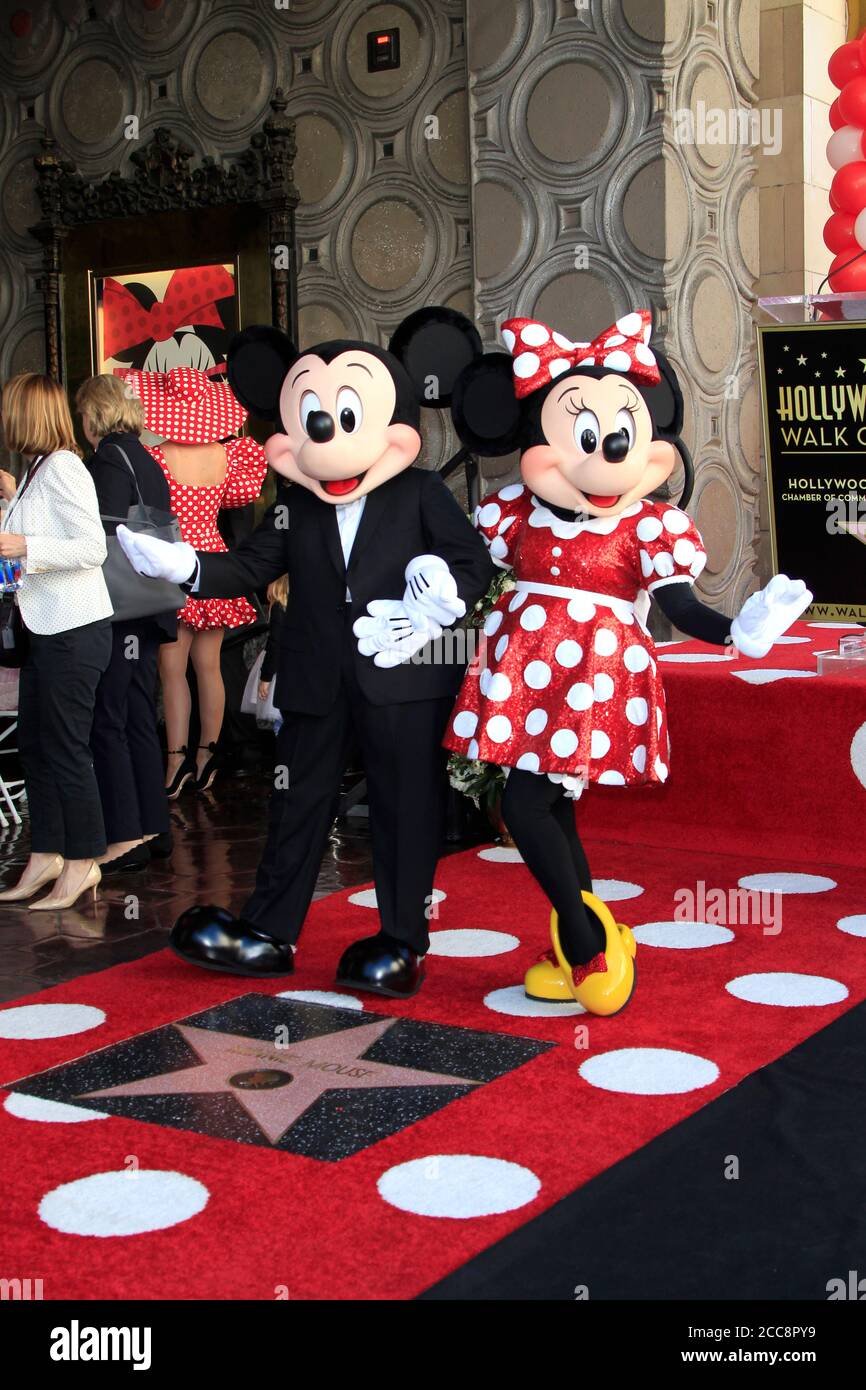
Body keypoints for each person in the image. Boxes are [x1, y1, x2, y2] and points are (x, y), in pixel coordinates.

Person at [117, 308, 495, 997]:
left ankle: (403, 940)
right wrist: (184, 565)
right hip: (317, 678)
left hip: (404, 677)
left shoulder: (419, 491)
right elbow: (248, 567)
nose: (325, 431)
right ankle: (269, 931)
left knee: (404, 809)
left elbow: (470, 563)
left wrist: (438, 597)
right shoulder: (297, 501)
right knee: (295, 805)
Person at [444, 310, 812, 1015]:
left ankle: (587, 947)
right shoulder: (515, 510)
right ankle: (581, 940)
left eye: (621, 436)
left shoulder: (650, 526)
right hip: (523, 673)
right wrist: (427, 599)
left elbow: (680, 604)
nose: (606, 455)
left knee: (524, 804)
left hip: (590, 680)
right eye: (585, 437)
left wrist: (739, 631)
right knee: (549, 806)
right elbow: (467, 574)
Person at [119, 366, 267, 797]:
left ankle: (176, 762)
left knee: (171, 671)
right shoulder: (229, 455)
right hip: (215, 564)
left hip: (172, 563)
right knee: (209, 667)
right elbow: (240, 499)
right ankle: (208, 758)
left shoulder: (157, 458)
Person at [0, 373, 112, 910]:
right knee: (36, 746)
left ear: (27, 413)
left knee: (66, 749)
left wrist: (23, 543)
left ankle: (84, 862)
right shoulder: (37, 468)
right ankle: (45, 853)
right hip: (48, 628)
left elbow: (93, 546)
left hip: (74, 630)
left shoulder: (64, 466)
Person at [77, 373, 176, 872]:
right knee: (137, 714)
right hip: (151, 603)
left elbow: (102, 539)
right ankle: (154, 827)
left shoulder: (107, 461)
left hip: (122, 605)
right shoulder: (146, 457)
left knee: (108, 719)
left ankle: (125, 837)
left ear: (95, 414)